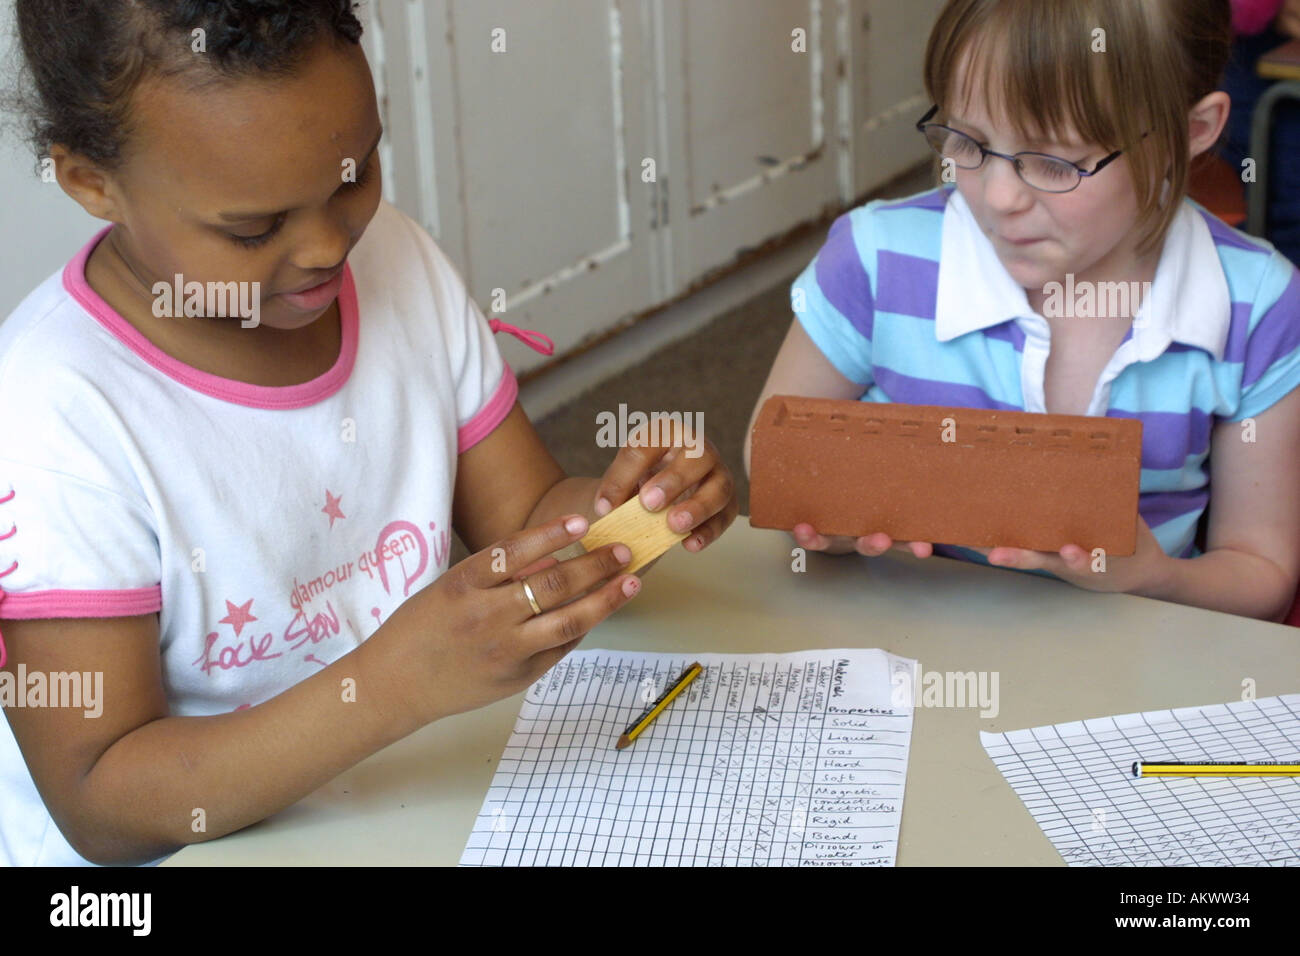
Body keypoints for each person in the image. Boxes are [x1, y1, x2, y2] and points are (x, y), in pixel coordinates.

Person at [0, 0, 738, 865]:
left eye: (355, 174)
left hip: (401, 789)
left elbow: (528, 511)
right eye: (253, 227)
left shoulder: (395, 259)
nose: (326, 246)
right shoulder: (55, 415)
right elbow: (99, 799)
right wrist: (389, 687)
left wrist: (636, 509)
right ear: (92, 183)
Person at [746, 0, 1300, 621]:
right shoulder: (875, 261)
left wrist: (1154, 576)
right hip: (900, 649)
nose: (999, 197)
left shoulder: (1259, 306)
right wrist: (827, 517)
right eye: (969, 141)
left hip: (1131, 672)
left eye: (1054, 160)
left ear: (1191, 131)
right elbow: (772, 452)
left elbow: (1262, 572)